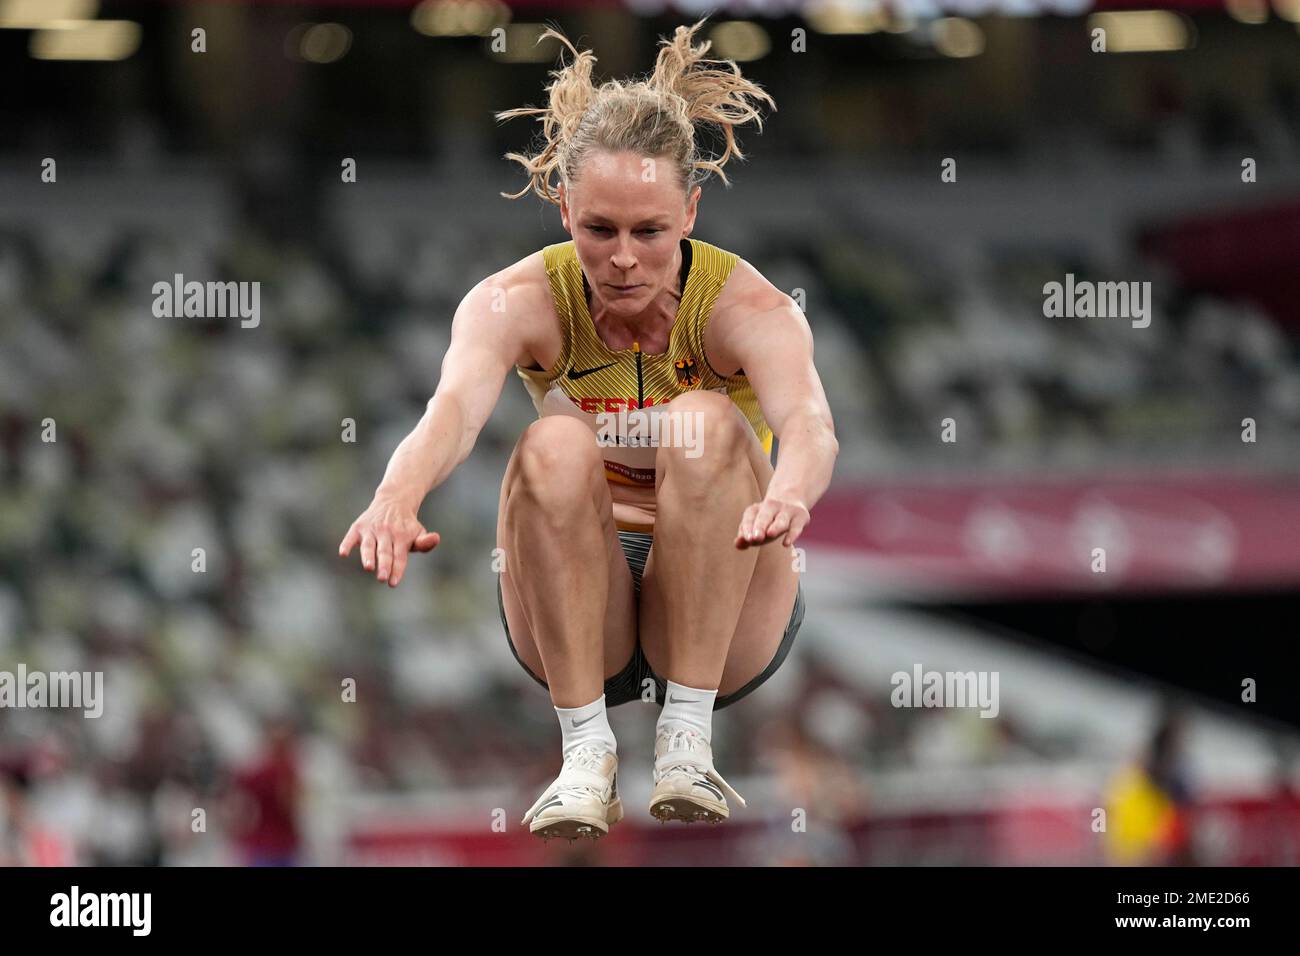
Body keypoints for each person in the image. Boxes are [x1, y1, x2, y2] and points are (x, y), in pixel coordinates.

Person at [338, 18, 839, 842]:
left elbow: (811, 423)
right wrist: (396, 495)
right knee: (549, 442)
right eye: (598, 230)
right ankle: (584, 752)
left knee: (703, 423)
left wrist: (789, 490)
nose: (623, 261)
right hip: (583, 595)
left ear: (691, 211)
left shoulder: (748, 308)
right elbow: (454, 410)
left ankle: (686, 737)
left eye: (650, 232)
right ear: (563, 206)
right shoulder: (515, 301)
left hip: (725, 588)